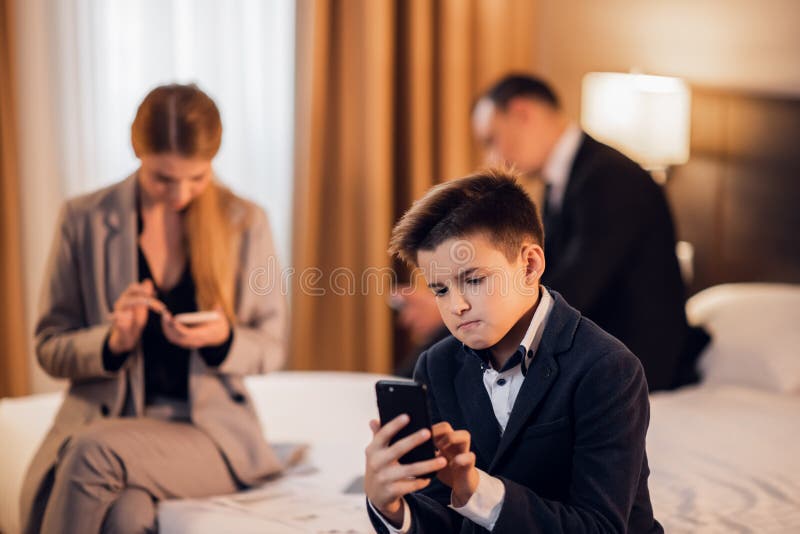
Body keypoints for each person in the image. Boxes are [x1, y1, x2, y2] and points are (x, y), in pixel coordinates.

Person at [20, 84, 287, 534]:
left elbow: (272, 348)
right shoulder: (83, 219)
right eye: (163, 178)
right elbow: (49, 346)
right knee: (127, 516)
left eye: (197, 178)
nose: (180, 194)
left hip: (206, 435)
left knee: (93, 452)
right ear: (135, 148)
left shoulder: (245, 222)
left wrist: (223, 339)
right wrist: (111, 342)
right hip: (113, 422)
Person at [365, 169, 662, 533]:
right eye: (440, 289)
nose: (456, 305)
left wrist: (477, 490)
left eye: (473, 280)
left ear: (530, 265)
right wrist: (392, 508)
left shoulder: (609, 369)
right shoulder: (437, 366)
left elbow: (600, 526)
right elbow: (445, 516)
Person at [471, 73, 707, 391]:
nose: (491, 157)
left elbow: (572, 289)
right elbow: (539, 276)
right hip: (593, 347)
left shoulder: (610, 178)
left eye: (491, 139)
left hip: (635, 363)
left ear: (522, 113)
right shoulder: (568, 177)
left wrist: (478, 309)